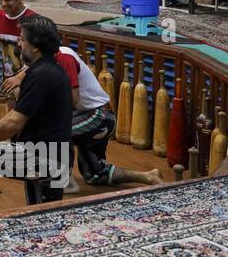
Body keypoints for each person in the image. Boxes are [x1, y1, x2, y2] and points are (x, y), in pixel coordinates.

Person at [0, 15, 72, 213]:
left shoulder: (41, 75)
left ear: (35, 46)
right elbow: (15, 118)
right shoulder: (49, 69)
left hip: (45, 158)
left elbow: (14, 123)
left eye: (22, 39)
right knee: (44, 215)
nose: (19, 43)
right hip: (54, 154)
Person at [56, 43, 161, 191]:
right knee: (95, 176)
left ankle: (64, 181)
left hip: (99, 116)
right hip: (88, 115)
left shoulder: (64, 57)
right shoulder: (46, 59)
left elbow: (72, 99)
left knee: (57, 131)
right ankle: (148, 176)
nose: (20, 43)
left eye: (23, 39)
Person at [0, 0, 35, 75]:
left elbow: (41, 59)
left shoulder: (33, 21)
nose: (3, 4)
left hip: (31, 79)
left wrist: (20, 78)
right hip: (8, 78)